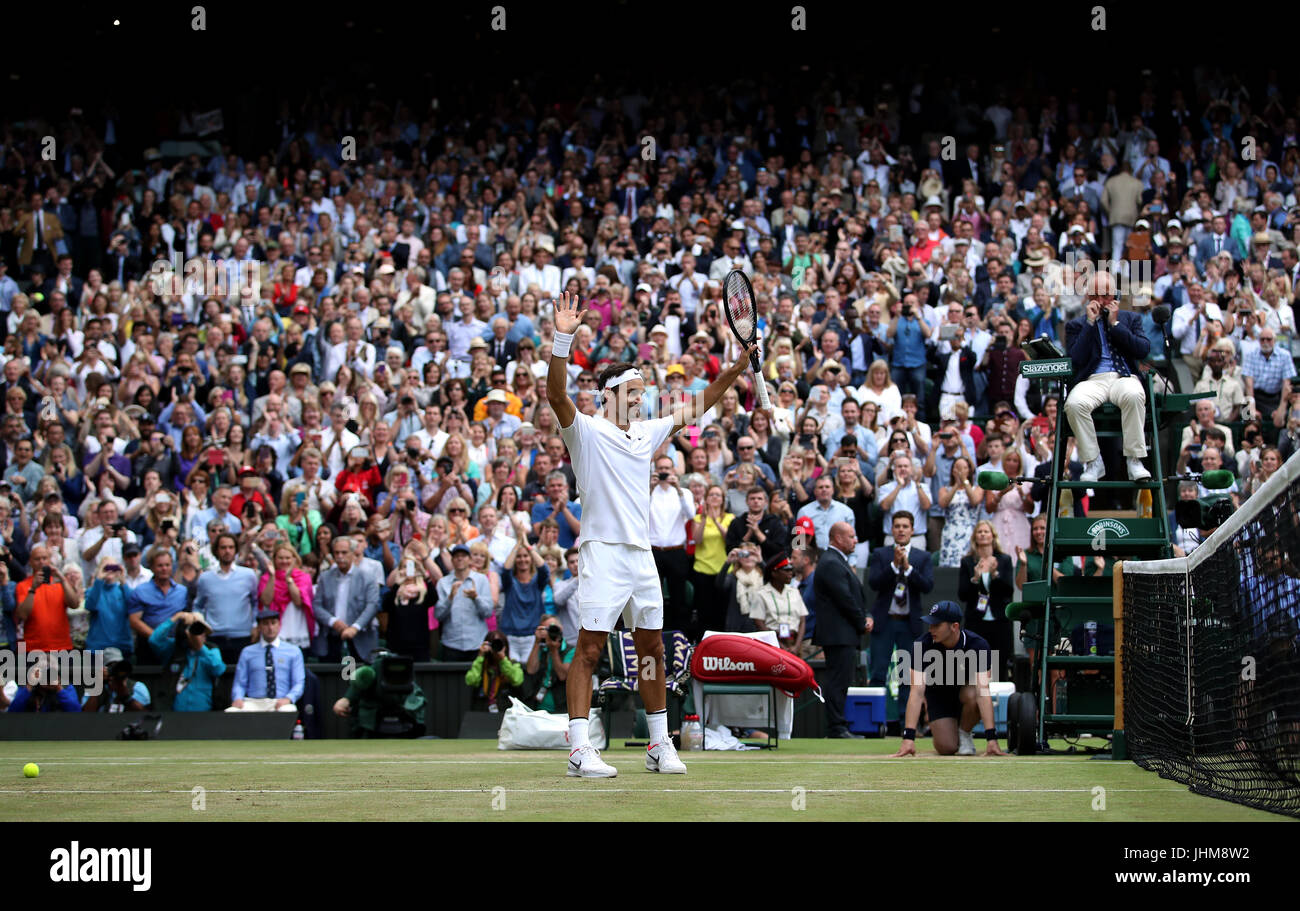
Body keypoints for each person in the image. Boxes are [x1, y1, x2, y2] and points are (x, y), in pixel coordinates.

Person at [547, 289, 756, 777]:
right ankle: (579, 749)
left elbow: (700, 403)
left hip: (641, 557)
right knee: (591, 647)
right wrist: (563, 338)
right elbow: (555, 395)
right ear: (610, 396)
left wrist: (738, 366)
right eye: (634, 394)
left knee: (653, 650)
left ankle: (659, 743)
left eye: (643, 394)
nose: (641, 401)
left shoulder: (646, 432)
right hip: (600, 552)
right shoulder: (584, 429)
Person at [1063, 270, 1152, 482]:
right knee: (1074, 404)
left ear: (1116, 295)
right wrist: (1090, 324)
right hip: (1093, 379)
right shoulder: (1077, 324)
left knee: (1133, 395)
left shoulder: (1131, 319)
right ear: (1087, 296)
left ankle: (1134, 460)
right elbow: (1075, 358)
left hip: (1123, 376)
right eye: (1095, 295)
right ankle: (1093, 462)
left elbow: (1143, 350)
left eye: (1106, 295)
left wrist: (1115, 325)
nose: (1101, 301)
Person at [892, 601, 1005, 757]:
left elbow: (983, 692)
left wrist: (991, 739)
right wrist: (908, 737)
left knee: (974, 693)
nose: (931, 629)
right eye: (930, 624)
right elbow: (916, 693)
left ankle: (965, 734)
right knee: (947, 748)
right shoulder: (921, 645)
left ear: (955, 627)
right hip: (938, 698)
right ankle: (953, 733)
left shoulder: (977, 645)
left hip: (966, 695)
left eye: (936, 625)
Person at [866, 512, 935, 723]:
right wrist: (894, 567)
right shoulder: (880, 554)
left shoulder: (922, 557)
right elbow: (874, 583)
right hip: (885, 621)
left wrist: (907, 568)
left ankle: (907, 723)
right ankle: (875, 722)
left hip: (909, 623)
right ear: (891, 530)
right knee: (879, 673)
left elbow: (927, 586)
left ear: (913, 530)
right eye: (897, 526)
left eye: (905, 526)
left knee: (907, 675)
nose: (901, 530)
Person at [814, 521, 874, 738]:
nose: (855, 540)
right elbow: (845, 599)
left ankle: (839, 725)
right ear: (837, 538)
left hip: (843, 633)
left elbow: (852, 596)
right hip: (838, 634)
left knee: (841, 680)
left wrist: (865, 616)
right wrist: (861, 622)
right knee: (838, 681)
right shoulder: (831, 562)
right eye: (851, 536)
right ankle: (836, 727)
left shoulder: (836, 560)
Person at [958, 520, 1016, 682]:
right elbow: (962, 594)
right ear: (975, 537)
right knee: (975, 667)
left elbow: (1008, 591)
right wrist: (975, 579)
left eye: (986, 531)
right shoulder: (967, 562)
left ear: (993, 536)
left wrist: (995, 574)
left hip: (999, 621)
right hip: (976, 621)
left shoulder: (1003, 560)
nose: (983, 534)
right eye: (980, 532)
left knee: (999, 667)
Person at [193, 532, 261, 663]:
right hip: (214, 638)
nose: (227, 551)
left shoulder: (248, 575)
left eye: (231, 547)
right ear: (216, 550)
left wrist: (255, 625)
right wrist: (201, 629)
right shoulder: (205, 578)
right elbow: (198, 606)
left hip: (243, 637)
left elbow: (255, 603)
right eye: (223, 548)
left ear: (236, 550)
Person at [314, 536, 381, 662]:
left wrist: (355, 627)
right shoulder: (325, 577)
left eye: (344, 552)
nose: (340, 556)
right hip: (332, 637)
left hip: (360, 638)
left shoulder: (367, 577)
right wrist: (332, 621)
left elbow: (372, 606)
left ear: (352, 553)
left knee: (354, 678)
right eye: (336, 553)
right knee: (335, 679)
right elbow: (317, 605)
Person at [227, 609, 305, 712]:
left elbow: (298, 682)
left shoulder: (294, 651)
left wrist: (289, 698)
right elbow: (240, 683)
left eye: (273, 623)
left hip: (280, 701)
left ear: (279, 625)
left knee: (287, 710)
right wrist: (237, 698)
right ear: (259, 627)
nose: (270, 628)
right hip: (253, 702)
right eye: (265, 624)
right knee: (231, 711)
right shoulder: (247, 652)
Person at [148, 610, 226, 711]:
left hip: (203, 711)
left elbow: (218, 669)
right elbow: (154, 640)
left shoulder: (211, 649)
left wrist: (200, 648)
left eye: (201, 631)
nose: (199, 634)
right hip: (175, 712)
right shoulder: (174, 648)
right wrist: (176, 618)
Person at [434, 543, 494, 660]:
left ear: (470, 559)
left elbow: (488, 612)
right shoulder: (443, 583)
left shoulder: (481, 580)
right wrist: (450, 598)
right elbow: (438, 615)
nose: (460, 558)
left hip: (477, 643)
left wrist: (476, 598)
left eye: (463, 556)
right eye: (456, 556)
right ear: (452, 560)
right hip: (452, 644)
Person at [126, 548, 189, 660]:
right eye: (160, 565)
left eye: (167, 565)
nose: (164, 569)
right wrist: (157, 638)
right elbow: (134, 621)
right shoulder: (141, 591)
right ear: (152, 568)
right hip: (149, 646)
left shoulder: (182, 591)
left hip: (176, 648)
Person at [751, 552, 808, 654]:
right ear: (774, 573)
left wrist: (796, 646)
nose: (790, 573)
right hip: (773, 644)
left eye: (791, 570)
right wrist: (779, 645)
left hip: (794, 642)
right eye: (786, 570)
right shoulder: (761, 594)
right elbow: (759, 623)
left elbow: (802, 621)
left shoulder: (794, 592)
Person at [524, 613, 574, 713]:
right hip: (539, 708)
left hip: (561, 709)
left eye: (553, 628)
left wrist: (554, 651)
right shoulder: (541, 649)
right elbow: (530, 670)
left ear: (561, 628)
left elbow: (563, 675)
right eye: (546, 629)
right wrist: (537, 642)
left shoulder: (570, 650)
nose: (550, 632)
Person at [465, 631, 524, 712]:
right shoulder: (481, 664)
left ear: (505, 646)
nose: (496, 647)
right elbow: (471, 681)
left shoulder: (512, 663)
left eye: (499, 644)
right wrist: (480, 656)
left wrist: (503, 659)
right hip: (483, 711)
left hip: (506, 711)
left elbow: (517, 680)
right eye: (494, 644)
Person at [81, 659, 150, 712]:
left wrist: (125, 696)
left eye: (119, 668)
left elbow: (143, 715)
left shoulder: (138, 687)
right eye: (112, 668)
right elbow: (85, 716)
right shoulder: (95, 688)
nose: (116, 673)